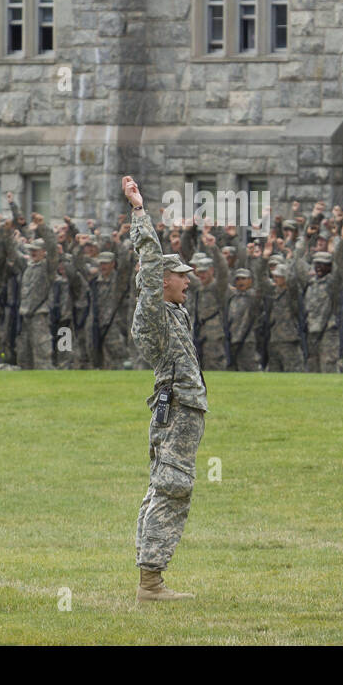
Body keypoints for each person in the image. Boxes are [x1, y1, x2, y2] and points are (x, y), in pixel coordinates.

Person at [124, 174, 205, 602]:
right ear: (163, 280)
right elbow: (149, 261)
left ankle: (150, 577)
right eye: (181, 276)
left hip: (182, 409)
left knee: (169, 485)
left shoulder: (175, 312)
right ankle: (151, 582)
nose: (187, 281)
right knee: (171, 485)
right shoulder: (153, 310)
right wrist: (139, 210)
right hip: (174, 410)